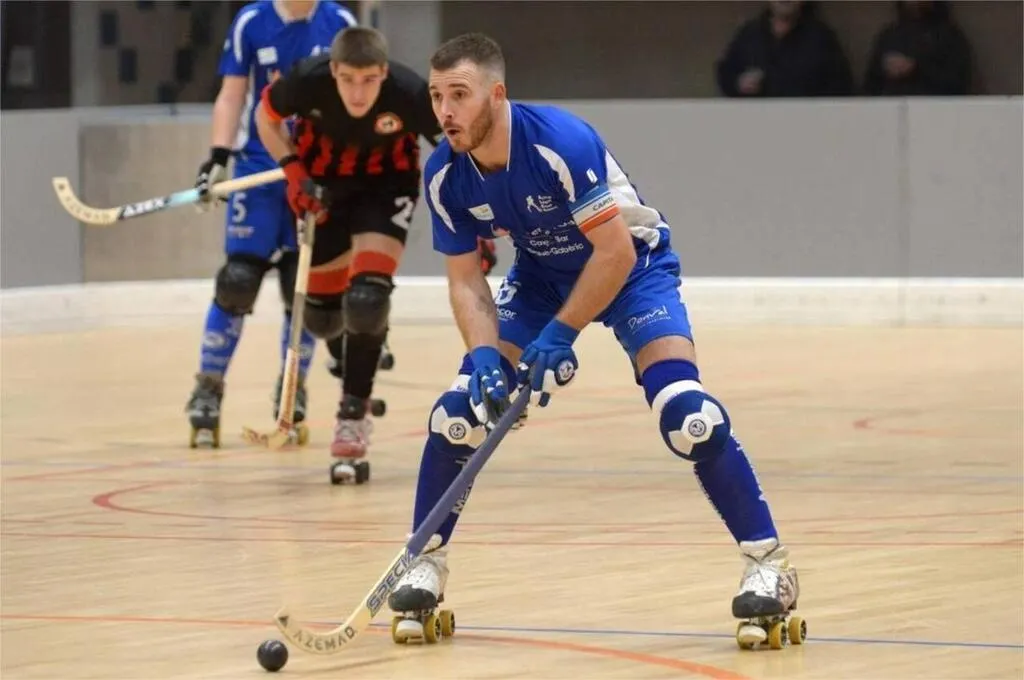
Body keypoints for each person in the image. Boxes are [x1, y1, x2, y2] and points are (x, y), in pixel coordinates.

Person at [386, 33, 802, 650]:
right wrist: (484, 357)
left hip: (634, 270)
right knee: (457, 413)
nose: (444, 112)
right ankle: (424, 562)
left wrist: (562, 334)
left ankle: (769, 564)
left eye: (460, 95)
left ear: (496, 96)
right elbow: (466, 281)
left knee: (690, 418)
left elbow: (616, 252)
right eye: (436, 96)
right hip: (539, 279)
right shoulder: (445, 175)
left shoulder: (560, 142)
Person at [254, 26, 496, 468]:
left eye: (369, 80)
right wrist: (293, 172)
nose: (358, 92)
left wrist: (478, 222)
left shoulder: (410, 93)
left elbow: (458, 151)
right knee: (324, 319)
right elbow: (264, 117)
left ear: (384, 72)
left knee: (366, 300)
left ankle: (353, 413)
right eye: (347, 79)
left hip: (386, 190)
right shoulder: (306, 80)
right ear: (333, 70)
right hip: (323, 188)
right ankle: (368, 342)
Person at [186, 0, 356, 448]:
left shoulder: (340, 23)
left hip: (314, 172)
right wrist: (218, 157)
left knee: (300, 285)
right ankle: (208, 388)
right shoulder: (251, 21)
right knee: (237, 281)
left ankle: (291, 388)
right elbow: (232, 94)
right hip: (258, 170)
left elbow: (355, 102)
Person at [715, 0, 852, 98]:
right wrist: (739, 83)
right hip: (756, 122)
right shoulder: (750, 34)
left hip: (806, 123)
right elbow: (726, 73)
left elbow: (842, 87)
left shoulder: (822, 38)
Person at [863, 1, 971, 96]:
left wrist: (915, 68)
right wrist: (884, 69)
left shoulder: (950, 35)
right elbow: (870, 86)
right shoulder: (889, 35)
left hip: (935, 107)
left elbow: (958, 83)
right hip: (892, 107)